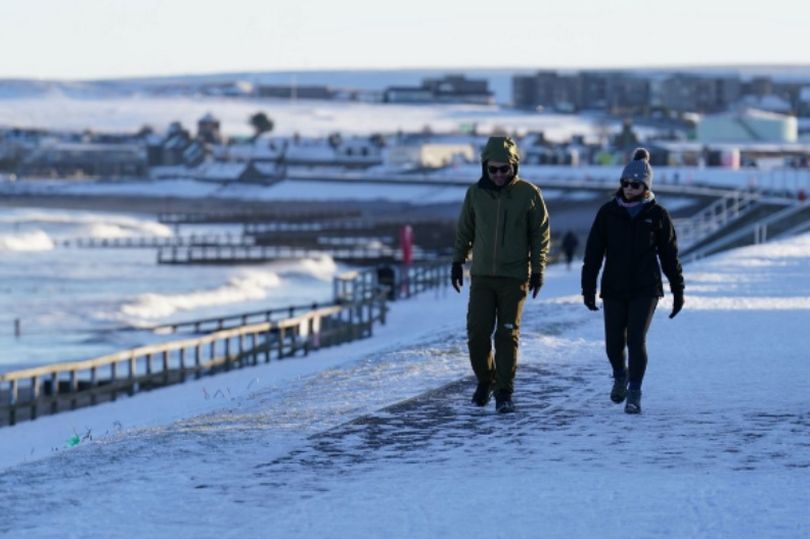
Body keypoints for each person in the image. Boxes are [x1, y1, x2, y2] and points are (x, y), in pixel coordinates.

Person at [581, 148, 684, 414]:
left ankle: (635, 392)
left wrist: (678, 290)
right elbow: (593, 254)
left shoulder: (658, 215)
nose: (629, 188)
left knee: (636, 339)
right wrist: (588, 288)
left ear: (646, 187)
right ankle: (620, 375)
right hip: (614, 287)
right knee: (613, 343)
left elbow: (669, 256)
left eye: (635, 185)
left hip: (645, 287)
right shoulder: (607, 213)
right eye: (625, 183)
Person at [451, 136, 550, 413]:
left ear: (514, 167)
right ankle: (486, 380)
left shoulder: (529, 194)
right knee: (477, 333)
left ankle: (504, 391)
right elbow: (465, 229)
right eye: (492, 169)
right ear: (485, 167)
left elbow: (540, 235)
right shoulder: (475, 194)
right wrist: (458, 261)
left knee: (507, 334)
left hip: (514, 277)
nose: (498, 174)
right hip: (482, 276)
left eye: (504, 169)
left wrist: (538, 270)